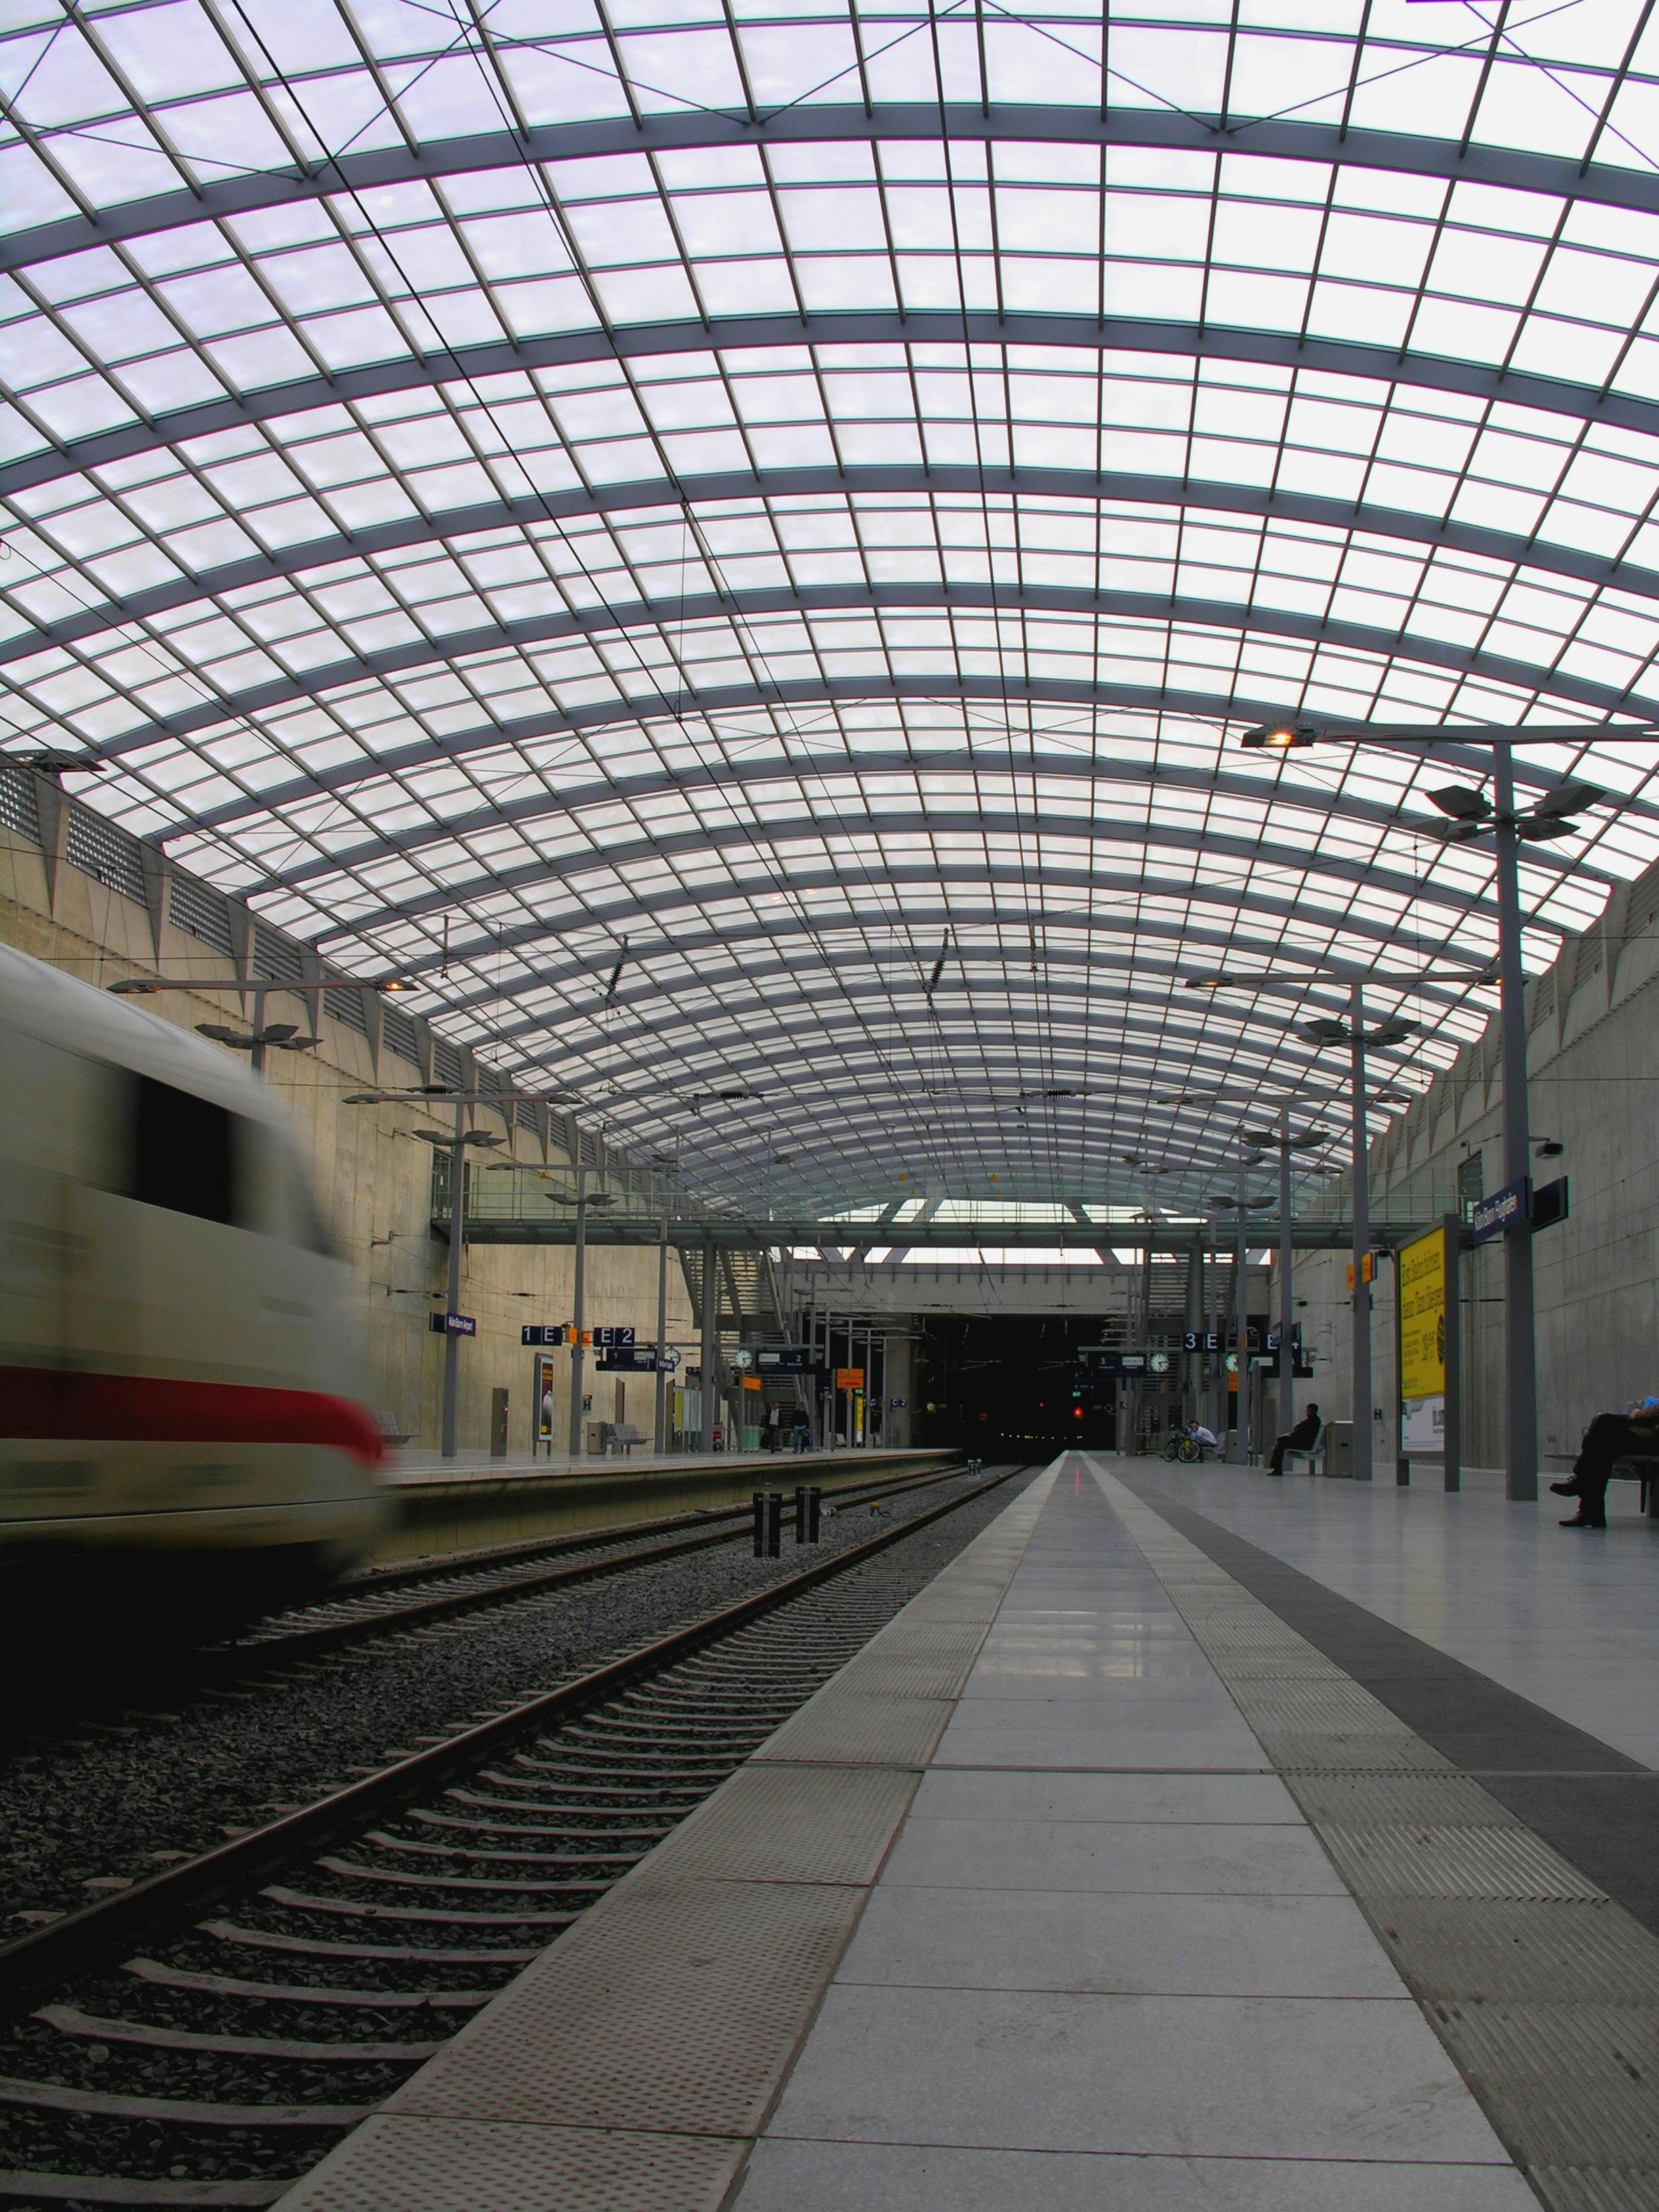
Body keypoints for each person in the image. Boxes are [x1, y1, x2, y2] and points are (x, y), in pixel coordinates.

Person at [1551, 1397, 1659, 1528]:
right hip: (1650, 1430)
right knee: (1602, 1433)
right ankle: (1588, 1505)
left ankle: (1586, 1500)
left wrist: (1638, 1414)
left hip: (1653, 1436)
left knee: (1603, 1432)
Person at [1268, 1402, 1322, 1478]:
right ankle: (1277, 1469)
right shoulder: (1312, 1420)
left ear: (1314, 1411)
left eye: (1309, 1411)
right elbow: (1298, 1429)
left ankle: (1277, 1469)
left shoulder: (1313, 1421)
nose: (1308, 1412)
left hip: (1305, 1443)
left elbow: (1300, 1430)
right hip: (1304, 1441)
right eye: (1307, 1410)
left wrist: (1298, 1429)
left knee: (1280, 1443)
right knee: (1280, 1445)